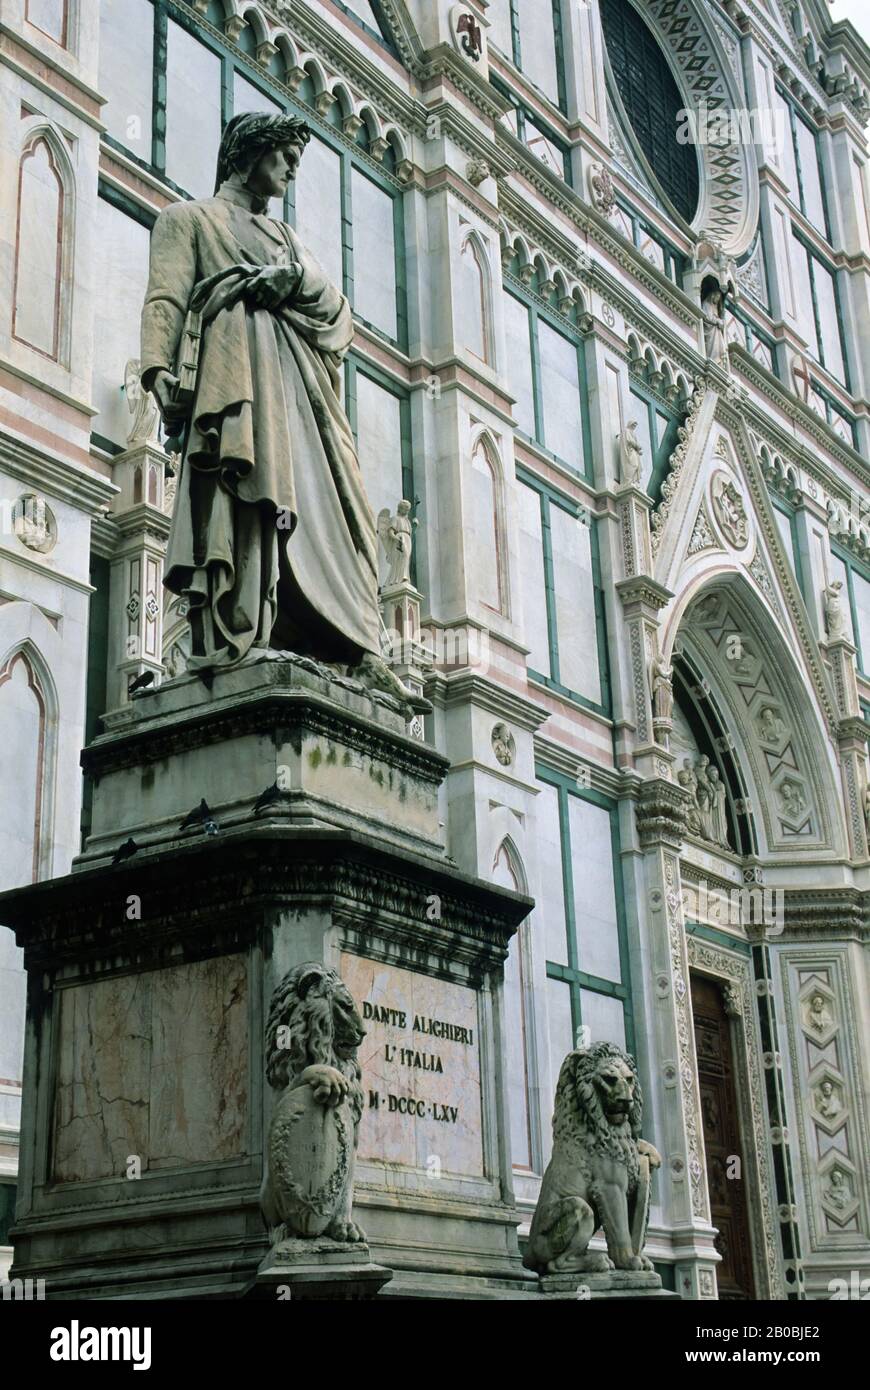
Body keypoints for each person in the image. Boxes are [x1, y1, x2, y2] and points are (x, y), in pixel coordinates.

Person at [140, 111, 423, 709]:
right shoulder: (188, 220)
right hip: (236, 385)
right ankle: (244, 628)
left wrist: (289, 280)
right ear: (249, 152)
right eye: (285, 157)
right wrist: (157, 370)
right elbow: (165, 298)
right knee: (248, 500)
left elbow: (337, 314)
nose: (292, 170)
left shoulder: (288, 243)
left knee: (339, 512)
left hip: (301, 401)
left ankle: (357, 647)